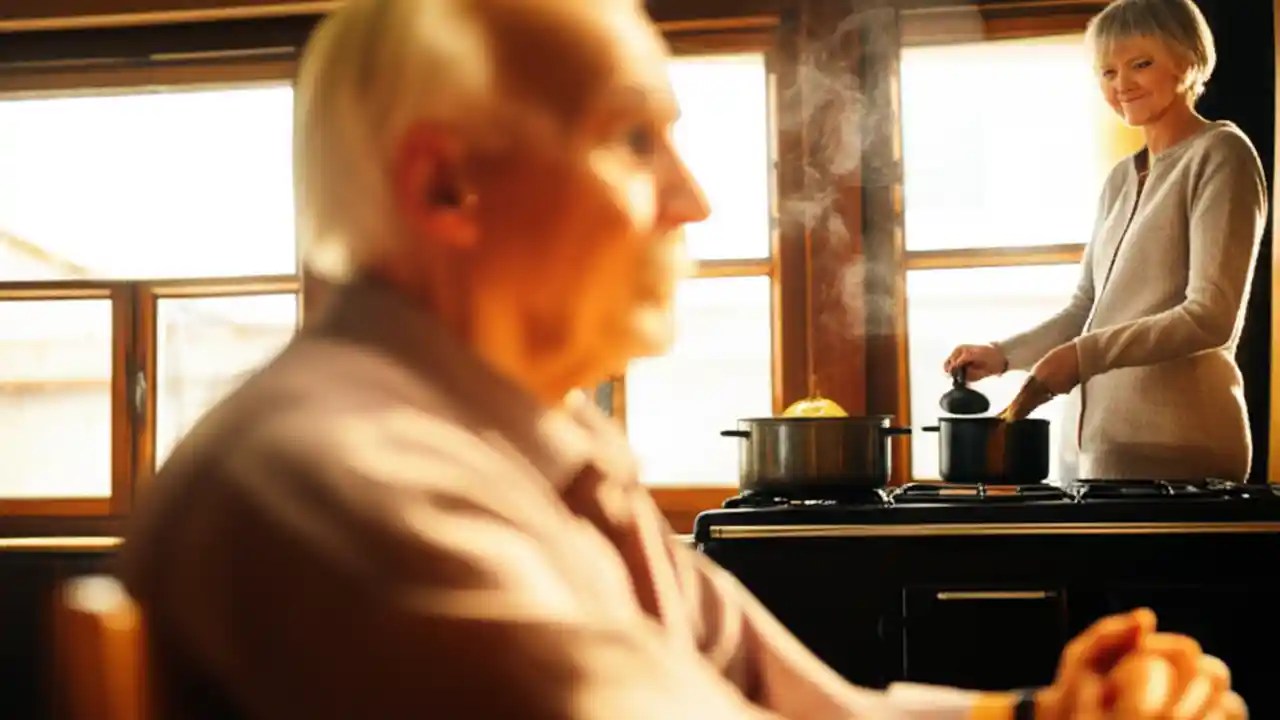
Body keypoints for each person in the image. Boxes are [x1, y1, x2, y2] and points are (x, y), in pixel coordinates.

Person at [120, 0, 1245, 717]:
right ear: (442, 186)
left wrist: (1041, 714)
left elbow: (820, 713)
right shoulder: (344, 495)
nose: (694, 198)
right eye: (629, 139)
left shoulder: (546, 465)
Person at [945, 0, 1268, 483]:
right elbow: (1086, 309)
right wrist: (1002, 354)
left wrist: (1082, 357)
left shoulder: (1221, 154)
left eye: (1141, 64)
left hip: (1180, 449)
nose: (1121, 85)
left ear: (1188, 59)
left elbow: (1210, 316)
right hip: (1090, 454)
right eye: (1107, 72)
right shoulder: (1122, 177)